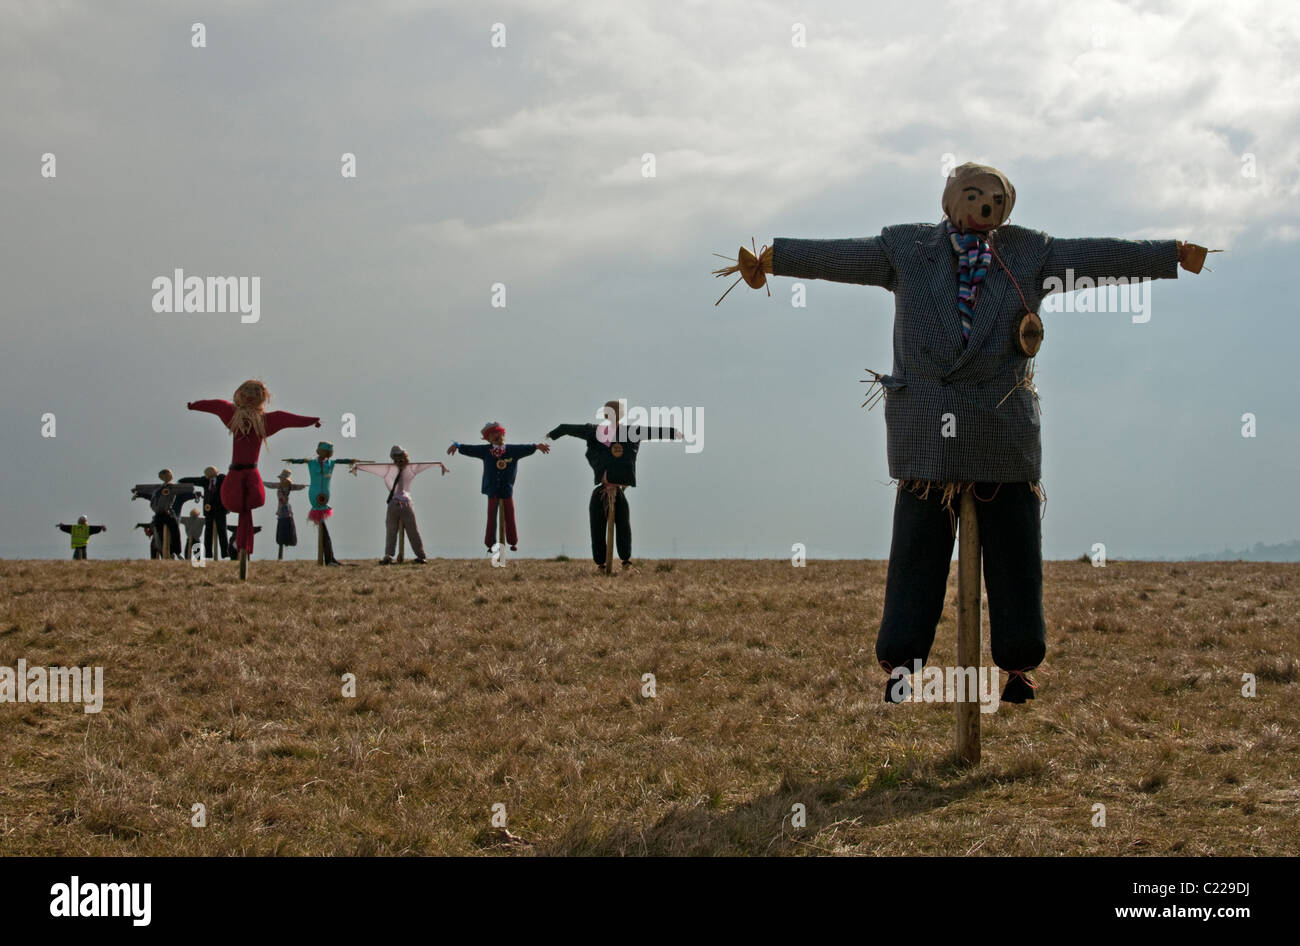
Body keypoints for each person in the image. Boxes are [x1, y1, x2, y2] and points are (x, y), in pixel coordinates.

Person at [714, 161, 1212, 702]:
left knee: (1015, 551)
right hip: (927, 433)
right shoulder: (904, 249)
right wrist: (776, 259)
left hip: (1002, 434)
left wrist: (1168, 256)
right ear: (950, 201)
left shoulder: (1029, 253)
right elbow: (842, 256)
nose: (984, 208)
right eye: (974, 196)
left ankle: (1018, 667)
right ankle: (902, 665)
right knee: (917, 553)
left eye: (996, 202)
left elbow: (1094, 257)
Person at [187, 380, 320, 557]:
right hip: (236, 471)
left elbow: (286, 419)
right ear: (239, 394)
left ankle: (240, 543)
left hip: (250, 471)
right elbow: (216, 406)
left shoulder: (264, 422)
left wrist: (311, 421)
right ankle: (238, 543)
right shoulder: (233, 416)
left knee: (253, 501)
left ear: (262, 397)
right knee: (236, 503)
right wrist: (195, 406)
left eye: (255, 393)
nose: (250, 395)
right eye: (247, 392)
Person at [547, 400, 680, 572]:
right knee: (598, 525)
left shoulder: (629, 432)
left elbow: (652, 432)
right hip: (603, 489)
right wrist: (554, 433)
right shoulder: (595, 431)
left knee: (623, 523)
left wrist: (672, 433)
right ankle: (602, 563)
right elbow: (568, 428)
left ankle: (625, 561)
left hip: (618, 489)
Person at [447, 421, 549, 552]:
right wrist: (458, 446)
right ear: (488, 438)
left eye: (498, 433)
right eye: (493, 434)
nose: (496, 436)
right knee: (491, 517)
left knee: (510, 516)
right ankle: (490, 543)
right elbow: (471, 449)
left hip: (506, 490)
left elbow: (526, 448)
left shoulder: (512, 450)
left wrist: (536, 446)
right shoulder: (485, 451)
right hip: (492, 490)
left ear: (502, 434)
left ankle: (512, 542)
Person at [351, 446, 448, 565]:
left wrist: (358, 467)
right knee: (412, 530)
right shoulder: (409, 468)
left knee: (392, 530)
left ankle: (390, 555)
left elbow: (375, 468)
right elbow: (423, 465)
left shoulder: (389, 469)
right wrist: (439, 464)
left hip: (394, 503)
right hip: (405, 503)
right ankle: (420, 556)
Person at [283, 442, 371, 565]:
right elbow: (302, 460)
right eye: (323, 452)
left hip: (325, 496)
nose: (325, 454)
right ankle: (329, 558)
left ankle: (329, 558)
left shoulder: (330, 463)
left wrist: (351, 460)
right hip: (314, 495)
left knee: (322, 527)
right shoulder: (312, 463)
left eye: (327, 452)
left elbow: (341, 461)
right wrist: (292, 460)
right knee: (321, 526)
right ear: (319, 451)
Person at [130, 470, 196, 559]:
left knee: (174, 530)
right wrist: (138, 493)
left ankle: (177, 551)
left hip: (168, 513)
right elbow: (149, 496)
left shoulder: (172, 488)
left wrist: (194, 494)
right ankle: (165, 552)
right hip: (158, 515)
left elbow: (187, 490)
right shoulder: (157, 490)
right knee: (160, 535)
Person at [178, 466, 229, 559]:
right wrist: (182, 480)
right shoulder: (205, 481)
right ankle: (208, 552)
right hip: (209, 510)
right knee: (208, 532)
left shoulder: (222, 479)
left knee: (222, 531)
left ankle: (225, 552)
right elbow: (194, 480)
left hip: (220, 510)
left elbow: (231, 479)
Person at [265, 469, 305, 557]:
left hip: (286, 509)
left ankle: (286, 541)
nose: (281, 480)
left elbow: (297, 487)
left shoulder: (290, 486)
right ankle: (282, 542)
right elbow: (270, 484)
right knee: (282, 525)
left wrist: (303, 486)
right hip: (281, 509)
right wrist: (262, 482)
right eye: (281, 478)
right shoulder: (279, 486)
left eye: (283, 478)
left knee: (285, 524)